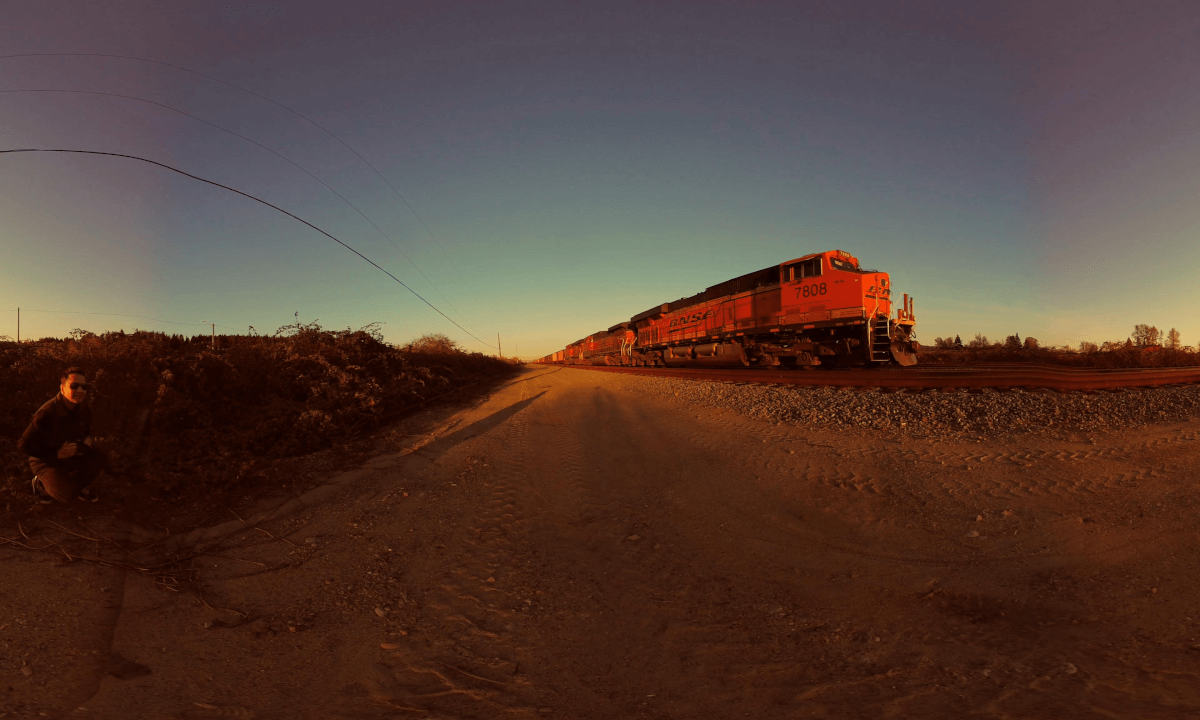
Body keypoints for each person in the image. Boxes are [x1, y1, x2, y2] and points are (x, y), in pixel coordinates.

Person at [17, 367, 107, 504]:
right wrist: (56, 454)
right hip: (44, 461)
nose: (80, 390)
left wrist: (88, 439)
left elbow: (87, 430)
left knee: (99, 458)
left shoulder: (83, 409)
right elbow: (23, 446)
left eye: (84, 386)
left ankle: (74, 485)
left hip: (70, 455)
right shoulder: (46, 413)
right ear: (62, 388)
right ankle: (40, 484)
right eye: (74, 386)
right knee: (67, 495)